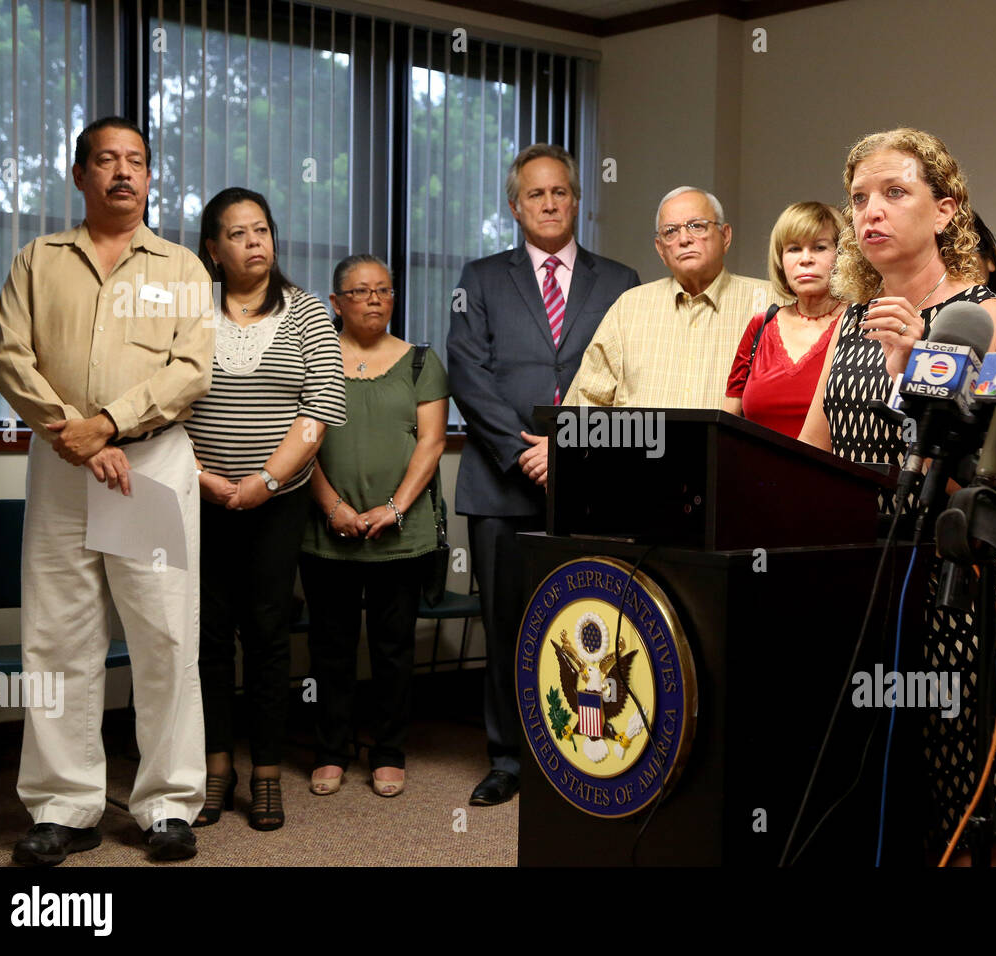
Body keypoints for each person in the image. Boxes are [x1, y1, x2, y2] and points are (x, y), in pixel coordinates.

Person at [798, 128, 996, 862]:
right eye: (860, 197)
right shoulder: (850, 320)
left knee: (950, 807)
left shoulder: (987, 318)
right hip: (859, 586)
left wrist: (911, 374)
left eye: (895, 193)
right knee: (871, 799)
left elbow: (991, 486)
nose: (870, 211)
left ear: (945, 209)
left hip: (950, 589)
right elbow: (811, 452)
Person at [0, 116, 213, 863]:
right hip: (62, 469)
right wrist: (76, 434)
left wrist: (110, 426)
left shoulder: (181, 267)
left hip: (148, 467)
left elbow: (190, 370)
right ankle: (64, 805)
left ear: (150, 177)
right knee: (57, 638)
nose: (124, 172)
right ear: (80, 174)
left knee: (165, 636)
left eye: (138, 161)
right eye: (108, 161)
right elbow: (9, 358)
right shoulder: (36, 261)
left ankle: (168, 806)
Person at [447, 144, 640, 806]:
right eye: (536, 194)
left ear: (578, 200)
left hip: (590, 481)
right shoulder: (478, 276)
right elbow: (467, 374)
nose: (550, 203)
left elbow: (629, 378)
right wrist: (526, 450)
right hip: (501, 482)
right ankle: (507, 758)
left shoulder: (621, 280)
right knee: (506, 626)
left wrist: (570, 452)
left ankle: (584, 750)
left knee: (587, 625)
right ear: (515, 206)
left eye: (561, 192)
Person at [185, 187, 346, 830]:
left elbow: (320, 409)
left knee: (270, 636)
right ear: (213, 249)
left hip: (276, 504)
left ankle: (268, 772)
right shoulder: (189, 312)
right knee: (209, 638)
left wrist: (264, 483)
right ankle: (217, 767)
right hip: (197, 498)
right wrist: (200, 477)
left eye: (264, 230)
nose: (256, 242)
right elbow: (165, 406)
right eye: (240, 233)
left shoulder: (306, 313)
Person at [299, 255, 449, 799]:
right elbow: (299, 439)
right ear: (335, 302)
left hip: (400, 536)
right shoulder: (314, 360)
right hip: (326, 531)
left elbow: (431, 443)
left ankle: (389, 751)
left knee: (393, 650)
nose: (374, 299)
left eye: (384, 290)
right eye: (360, 291)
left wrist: (396, 507)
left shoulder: (420, 362)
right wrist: (333, 507)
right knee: (330, 650)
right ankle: (331, 750)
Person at [564, 187, 775, 407]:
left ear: (725, 236)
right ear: (661, 250)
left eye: (696, 226)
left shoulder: (768, 303)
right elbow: (586, 401)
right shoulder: (629, 308)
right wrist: (559, 438)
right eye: (670, 231)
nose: (684, 239)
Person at [723, 201, 847, 436]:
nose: (806, 259)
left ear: (842, 255)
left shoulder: (857, 323)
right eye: (794, 249)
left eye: (819, 247)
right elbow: (727, 425)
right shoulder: (761, 325)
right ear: (781, 260)